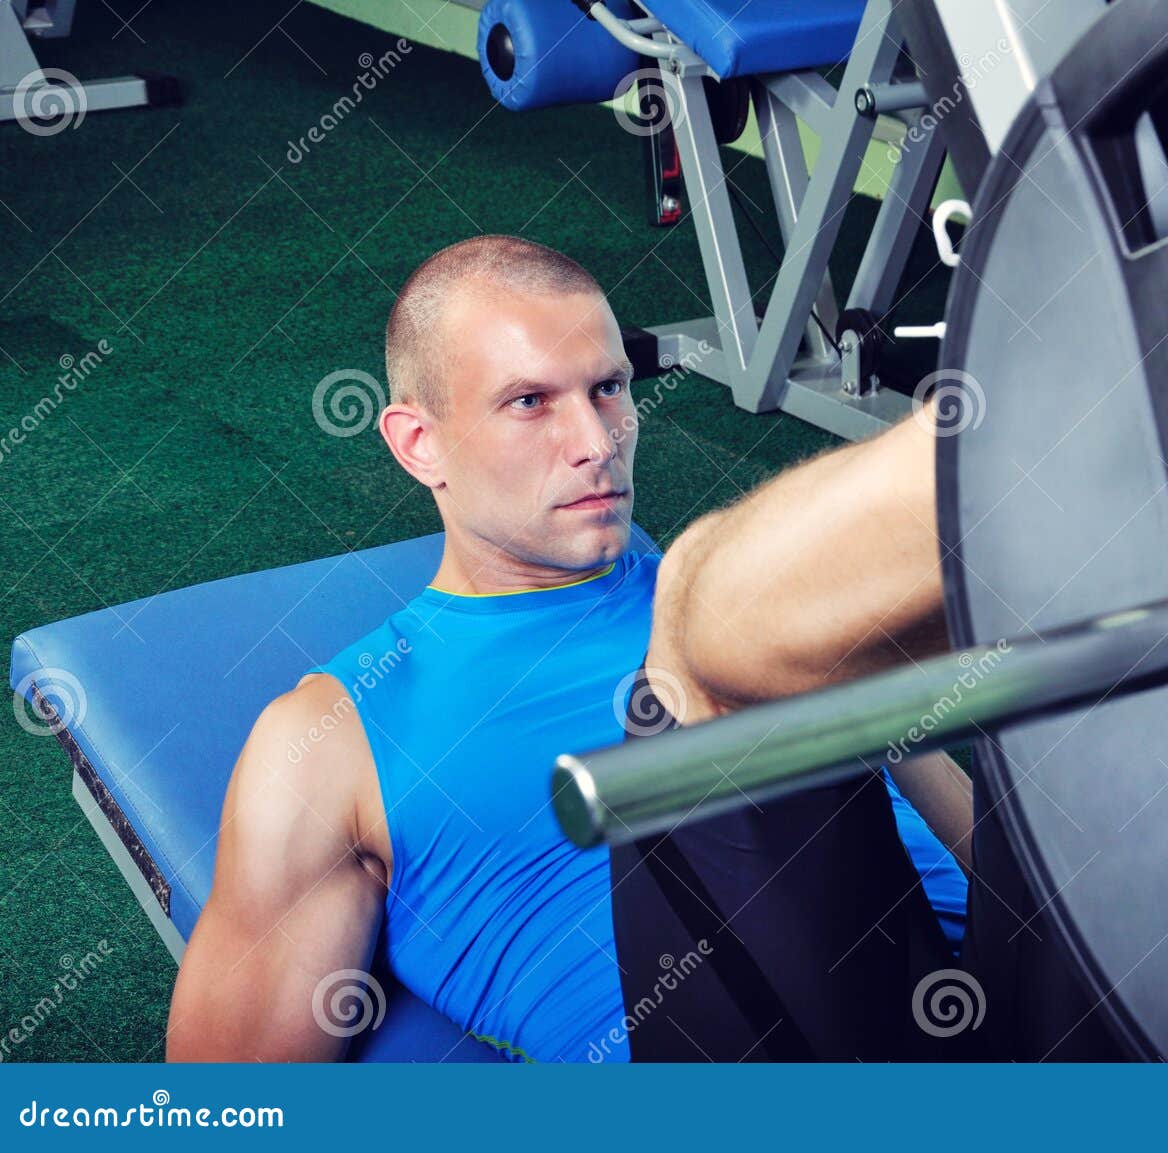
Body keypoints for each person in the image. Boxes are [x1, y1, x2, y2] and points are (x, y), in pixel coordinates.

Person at [165, 236, 971, 1062]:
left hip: (1014, 1007)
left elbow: (973, 839)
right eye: (529, 402)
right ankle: (1012, 422)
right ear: (419, 444)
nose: (597, 440)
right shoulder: (331, 735)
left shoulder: (757, 621)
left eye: (609, 388)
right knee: (709, 605)